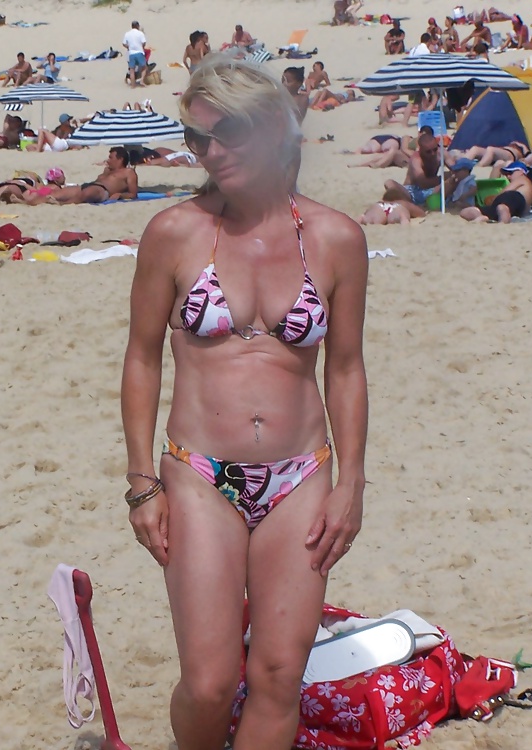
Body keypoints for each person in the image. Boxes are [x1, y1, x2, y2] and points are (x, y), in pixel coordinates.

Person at [121, 55, 367, 750]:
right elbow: (142, 357)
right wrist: (142, 483)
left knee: (279, 676)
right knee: (209, 683)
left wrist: (351, 483)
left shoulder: (335, 238)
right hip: (200, 474)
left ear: (269, 128)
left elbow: (346, 367)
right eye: (196, 139)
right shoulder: (175, 233)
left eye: (225, 133)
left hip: (301, 474)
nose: (210, 152)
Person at [383, 132, 476, 208]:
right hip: (412, 192)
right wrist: (444, 177)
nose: (432, 153)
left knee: (454, 179)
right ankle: (407, 202)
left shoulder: (441, 153)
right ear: (420, 150)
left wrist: (461, 170)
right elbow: (423, 183)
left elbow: (456, 169)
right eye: (428, 151)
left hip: (432, 190)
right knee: (389, 183)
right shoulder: (416, 160)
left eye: (434, 149)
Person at [34, 146, 137, 204]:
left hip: (103, 191)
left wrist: (120, 195)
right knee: (57, 194)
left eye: (111, 158)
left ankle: (62, 204)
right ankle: (30, 202)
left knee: (85, 194)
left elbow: (133, 194)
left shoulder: (128, 172)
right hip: (90, 185)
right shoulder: (107, 170)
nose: (108, 160)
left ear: (120, 159)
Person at [459, 161, 532, 223]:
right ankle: (482, 217)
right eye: (506, 174)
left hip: (512, 200)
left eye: (511, 173)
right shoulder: (526, 186)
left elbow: (506, 191)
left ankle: (502, 223)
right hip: (513, 208)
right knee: (465, 212)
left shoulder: (522, 178)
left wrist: (494, 198)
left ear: (521, 172)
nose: (508, 176)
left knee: (502, 207)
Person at [358, 199, 424, 224]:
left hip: (380, 205)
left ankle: (360, 219)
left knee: (366, 217)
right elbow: (421, 213)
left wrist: (364, 215)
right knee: (403, 217)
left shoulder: (380, 202)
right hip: (396, 206)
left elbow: (367, 211)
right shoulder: (404, 202)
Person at [123, 21, 148, 87]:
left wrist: (128, 47)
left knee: (132, 70)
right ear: (138, 26)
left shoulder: (127, 33)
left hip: (131, 53)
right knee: (144, 67)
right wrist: (142, 47)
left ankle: (133, 85)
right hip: (139, 52)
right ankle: (142, 80)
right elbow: (144, 42)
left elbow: (124, 43)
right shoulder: (140, 33)